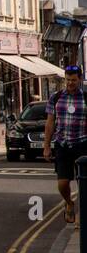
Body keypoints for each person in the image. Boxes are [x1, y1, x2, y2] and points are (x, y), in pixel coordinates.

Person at [42, 64, 84, 226]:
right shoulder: (56, 97)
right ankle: (69, 202)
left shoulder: (85, 97)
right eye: (67, 80)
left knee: (84, 184)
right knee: (63, 183)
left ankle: (82, 217)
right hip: (62, 145)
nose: (70, 83)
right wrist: (46, 146)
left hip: (82, 144)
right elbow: (50, 123)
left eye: (73, 80)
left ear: (79, 79)